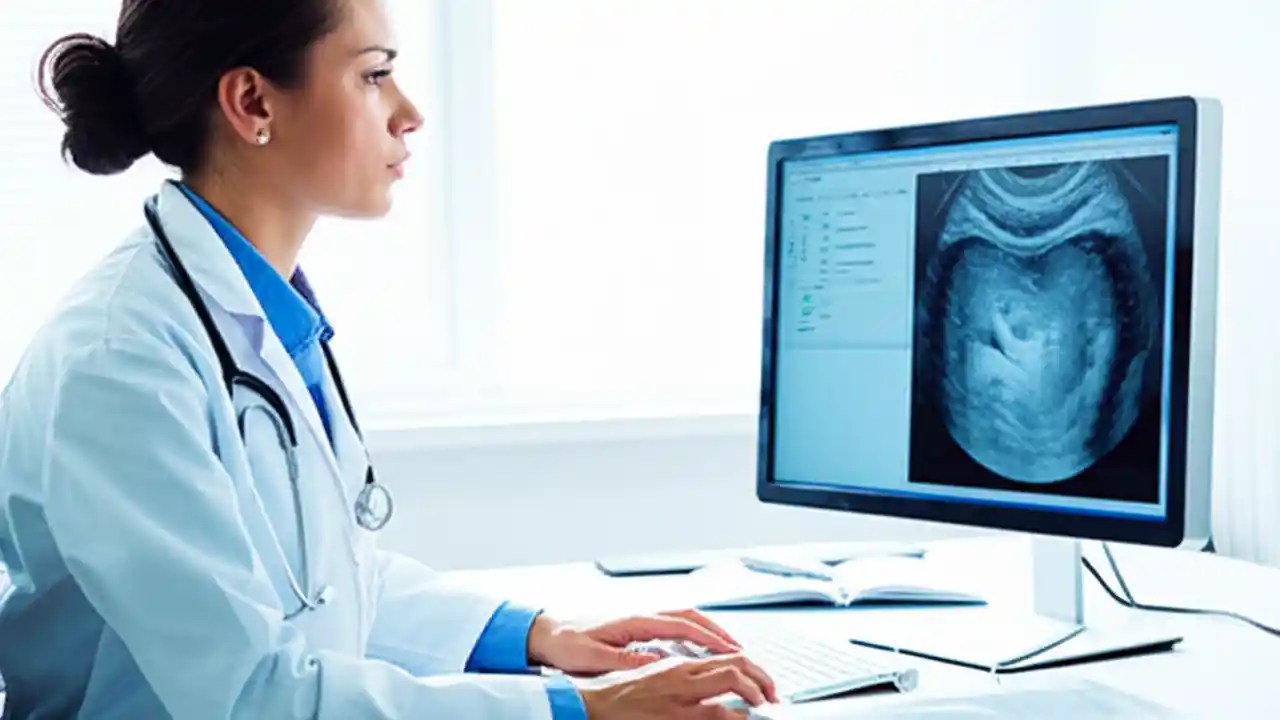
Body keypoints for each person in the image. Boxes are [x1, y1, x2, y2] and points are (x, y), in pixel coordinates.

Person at [0, 0, 779, 717]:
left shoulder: (255, 315)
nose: (410, 114)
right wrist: (579, 708)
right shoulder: (121, 362)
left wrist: (541, 636)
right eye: (374, 75)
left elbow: (322, 590)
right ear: (253, 103)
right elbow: (251, 695)